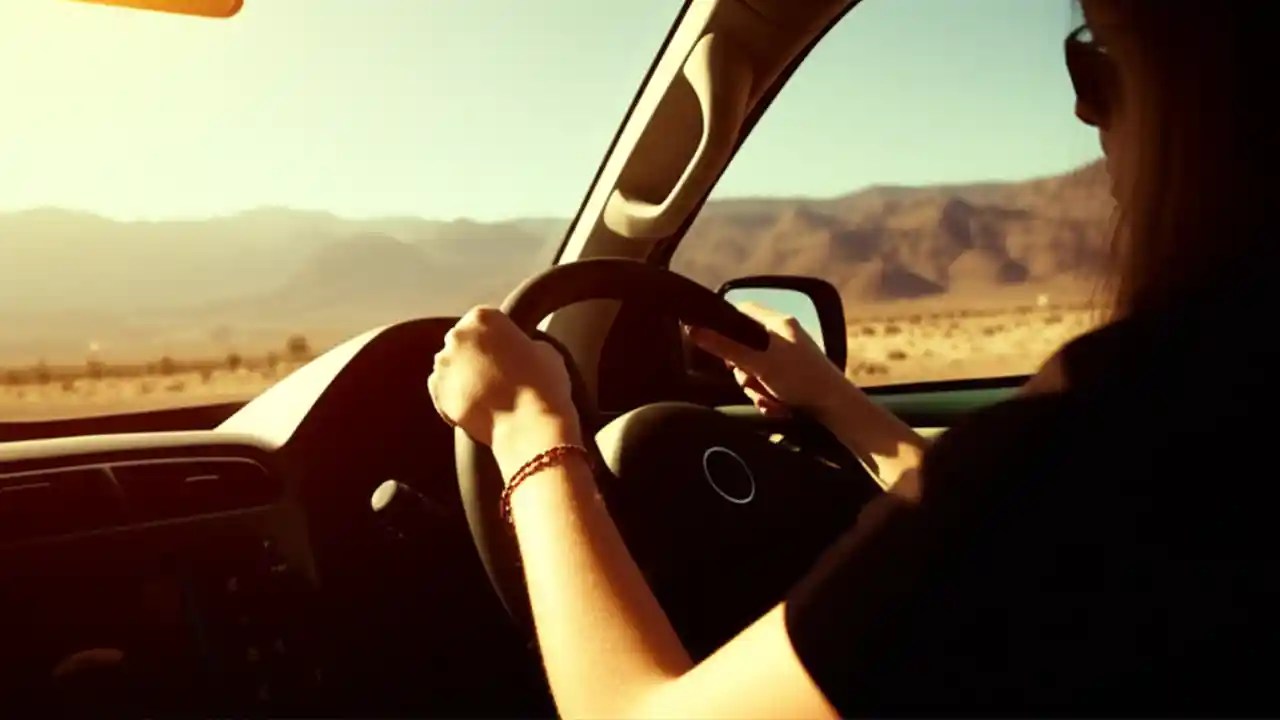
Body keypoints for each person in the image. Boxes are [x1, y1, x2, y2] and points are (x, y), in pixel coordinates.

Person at [427, 0, 1278, 715]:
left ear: (1217, 76)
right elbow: (1005, 530)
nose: (1085, 113)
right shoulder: (1211, 417)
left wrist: (529, 432)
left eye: (1096, 62)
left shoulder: (1125, 425)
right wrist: (833, 399)